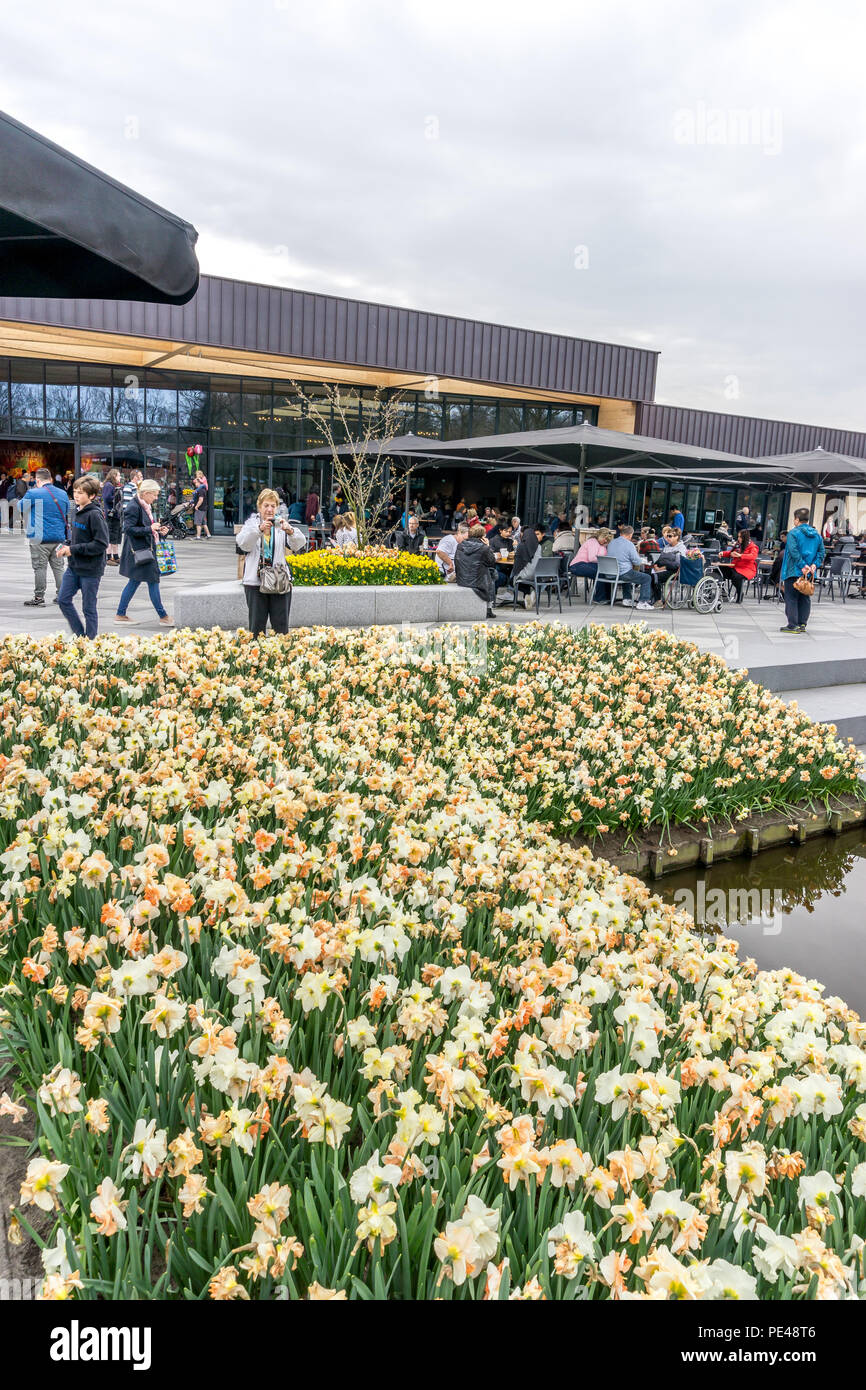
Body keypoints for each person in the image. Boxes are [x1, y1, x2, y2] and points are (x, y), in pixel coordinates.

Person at [237, 487, 306, 635]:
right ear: (259, 507)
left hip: (279, 581)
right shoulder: (251, 524)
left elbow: (299, 544)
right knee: (256, 629)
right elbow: (243, 544)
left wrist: (291, 531)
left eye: (273, 506)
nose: (269, 509)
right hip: (255, 582)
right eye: (266, 505)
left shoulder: (281, 524)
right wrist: (259, 529)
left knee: (281, 629)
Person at [54, 475, 109, 638]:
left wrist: (73, 549)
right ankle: (80, 636)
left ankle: (91, 642)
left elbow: (101, 544)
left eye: (80, 492)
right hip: (74, 567)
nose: (76, 495)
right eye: (75, 491)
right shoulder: (77, 511)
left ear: (91, 495)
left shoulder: (95, 515)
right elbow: (78, 537)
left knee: (89, 608)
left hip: (91, 569)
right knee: (63, 600)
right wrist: (67, 545)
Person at [116, 480, 173, 626]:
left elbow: (146, 528)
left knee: (135, 581)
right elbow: (128, 529)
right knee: (152, 581)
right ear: (146, 493)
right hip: (141, 551)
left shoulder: (143, 505)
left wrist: (160, 532)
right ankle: (163, 616)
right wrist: (150, 529)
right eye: (154, 495)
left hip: (143, 550)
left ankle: (120, 614)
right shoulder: (134, 506)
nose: (155, 498)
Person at [22, 467, 70, 608]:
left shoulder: (33, 492)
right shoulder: (62, 493)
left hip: (39, 538)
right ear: (51, 479)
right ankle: (61, 595)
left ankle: (39, 597)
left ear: (37, 480)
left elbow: (20, 507)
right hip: (59, 538)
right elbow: (66, 511)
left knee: (39, 568)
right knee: (59, 567)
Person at [780, 508, 825, 633]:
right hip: (809, 572)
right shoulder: (817, 535)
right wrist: (814, 565)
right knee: (805, 598)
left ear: (797, 519)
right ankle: (802, 624)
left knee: (791, 597)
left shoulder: (793, 533)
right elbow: (821, 552)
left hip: (793, 570)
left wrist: (802, 565)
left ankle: (792, 625)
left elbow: (793, 551)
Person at [606, 525, 654, 609]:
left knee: (629, 573)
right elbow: (637, 561)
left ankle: (627, 598)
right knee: (646, 578)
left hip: (609, 573)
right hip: (622, 573)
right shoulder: (629, 544)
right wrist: (642, 560)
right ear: (630, 534)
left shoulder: (611, 542)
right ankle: (643, 602)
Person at [454, 523, 496, 618]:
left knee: (487, 571)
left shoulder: (460, 546)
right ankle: (489, 608)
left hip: (462, 579)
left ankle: (489, 607)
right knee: (492, 573)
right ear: (482, 536)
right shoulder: (484, 548)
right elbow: (492, 562)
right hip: (477, 582)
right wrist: (488, 546)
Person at [509, 521, 547, 610]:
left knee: (512, 579)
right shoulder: (539, 546)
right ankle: (528, 595)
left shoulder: (521, 546)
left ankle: (526, 594)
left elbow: (517, 565)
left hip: (527, 575)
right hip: (538, 575)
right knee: (522, 577)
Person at [718, 528, 759, 604]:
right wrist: (723, 553)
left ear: (745, 538)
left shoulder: (753, 546)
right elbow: (731, 553)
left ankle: (739, 594)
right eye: (738, 537)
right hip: (735, 567)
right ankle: (722, 592)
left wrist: (740, 555)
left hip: (747, 569)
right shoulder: (738, 545)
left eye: (740, 537)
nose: (738, 539)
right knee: (719, 570)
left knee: (736, 576)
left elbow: (752, 556)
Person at [651, 526, 688, 605]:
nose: (667, 538)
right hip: (663, 569)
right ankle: (654, 598)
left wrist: (663, 567)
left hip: (674, 571)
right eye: (667, 536)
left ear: (676, 537)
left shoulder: (681, 548)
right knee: (649, 576)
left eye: (670, 536)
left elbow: (678, 564)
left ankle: (659, 600)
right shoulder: (666, 547)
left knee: (654, 577)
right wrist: (656, 565)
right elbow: (660, 559)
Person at [101, 468, 123, 565]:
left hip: (115, 515)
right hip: (111, 515)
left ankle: (116, 556)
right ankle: (108, 558)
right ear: (114, 476)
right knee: (111, 536)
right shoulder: (109, 485)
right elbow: (106, 498)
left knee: (115, 536)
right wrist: (117, 496)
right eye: (119, 475)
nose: (120, 477)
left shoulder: (111, 485)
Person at [192, 470, 211, 540]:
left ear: (199, 482)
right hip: (204, 508)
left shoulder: (200, 490)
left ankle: (198, 536)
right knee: (204, 523)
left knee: (198, 523)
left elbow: (201, 500)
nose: (195, 484)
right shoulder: (203, 490)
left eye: (196, 483)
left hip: (200, 508)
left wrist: (196, 506)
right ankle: (208, 535)